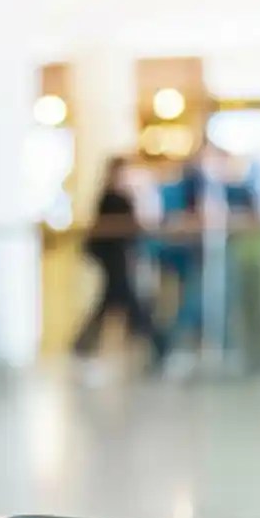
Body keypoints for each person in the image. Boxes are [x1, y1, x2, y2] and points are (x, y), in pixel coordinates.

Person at [74, 157, 166, 367]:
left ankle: (159, 349)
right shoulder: (112, 198)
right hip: (114, 261)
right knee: (130, 306)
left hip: (119, 260)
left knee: (116, 305)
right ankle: (161, 348)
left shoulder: (119, 197)